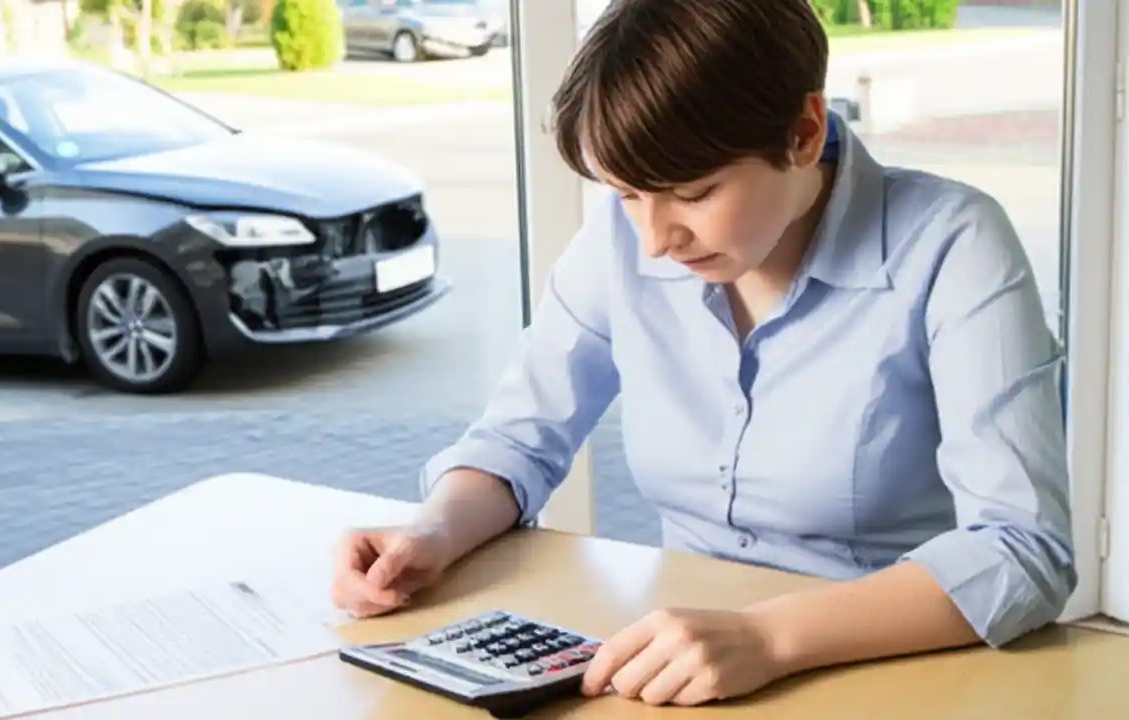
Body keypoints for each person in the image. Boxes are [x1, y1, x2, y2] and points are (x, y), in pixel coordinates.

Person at [331, 0, 1076, 707]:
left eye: (694, 192)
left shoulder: (954, 244)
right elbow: (517, 438)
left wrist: (769, 638)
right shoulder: (622, 241)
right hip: (673, 674)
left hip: (895, 677)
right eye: (627, 194)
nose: (655, 238)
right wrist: (432, 531)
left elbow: (1022, 549)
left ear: (805, 132)